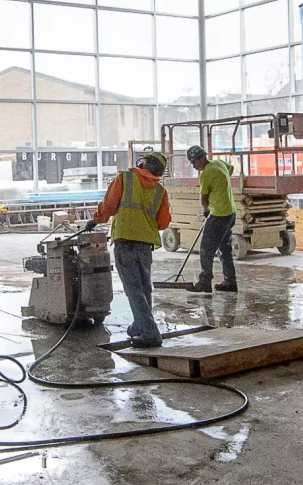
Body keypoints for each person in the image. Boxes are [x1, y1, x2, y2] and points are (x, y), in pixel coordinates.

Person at [93, 149, 172, 347]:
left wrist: (95, 220)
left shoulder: (125, 178)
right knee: (144, 288)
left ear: (143, 164)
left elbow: (109, 206)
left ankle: (150, 333)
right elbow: (163, 222)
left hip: (125, 240)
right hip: (145, 244)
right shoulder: (160, 191)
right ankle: (139, 325)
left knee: (133, 289)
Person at [185, 144, 238, 294]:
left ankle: (204, 282)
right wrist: (221, 184)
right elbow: (231, 169)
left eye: (195, 162)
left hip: (219, 215)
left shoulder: (206, 174)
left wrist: (206, 211)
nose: (194, 166)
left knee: (206, 249)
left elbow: (203, 199)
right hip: (230, 213)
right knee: (225, 248)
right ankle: (230, 282)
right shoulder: (220, 163)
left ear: (202, 158)